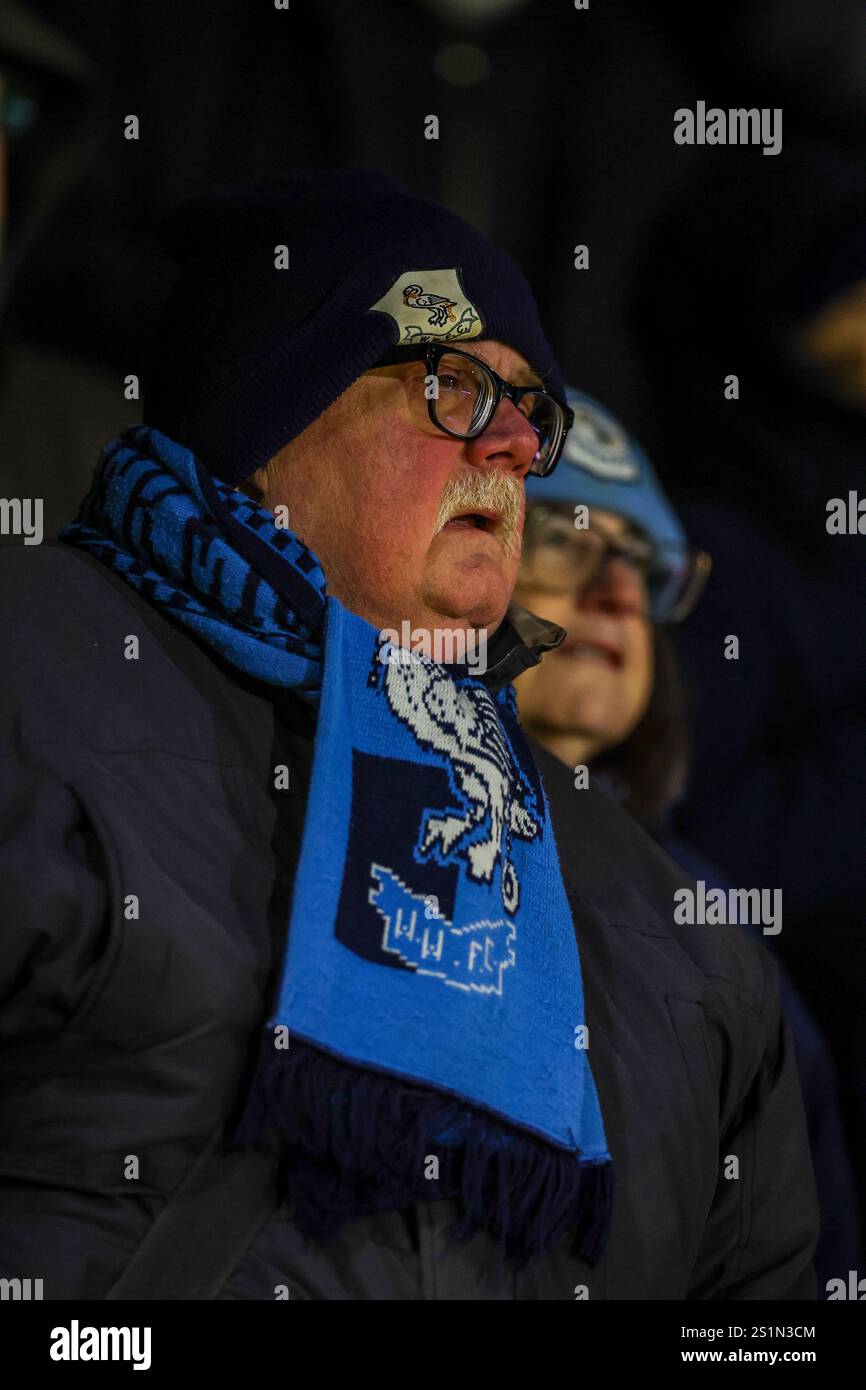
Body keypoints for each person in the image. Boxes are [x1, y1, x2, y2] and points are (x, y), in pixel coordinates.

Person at [0, 170, 818, 1300]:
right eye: (455, 387)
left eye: (532, 410)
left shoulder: (679, 931)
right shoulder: (31, 679)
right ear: (267, 409)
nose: (512, 449)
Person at [513, 386, 864, 1296]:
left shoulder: (736, 963)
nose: (619, 592)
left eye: (645, 563)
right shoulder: (332, 826)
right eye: (564, 537)